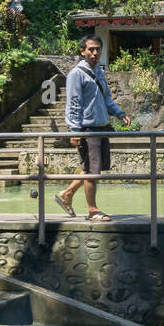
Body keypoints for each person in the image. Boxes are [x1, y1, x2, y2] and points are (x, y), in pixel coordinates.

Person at [55, 34, 130, 222]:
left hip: (102, 127)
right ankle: (92, 210)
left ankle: (67, 194)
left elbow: (106, 99)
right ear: (83, 51)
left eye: (98, 49)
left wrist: (119, 113)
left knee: (92, 168)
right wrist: (75, 131)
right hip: (88, 129)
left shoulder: (99, 73)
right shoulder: (76, 74)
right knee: (92, 171)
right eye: (91, 49)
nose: (95, 53)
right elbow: (73, 103)